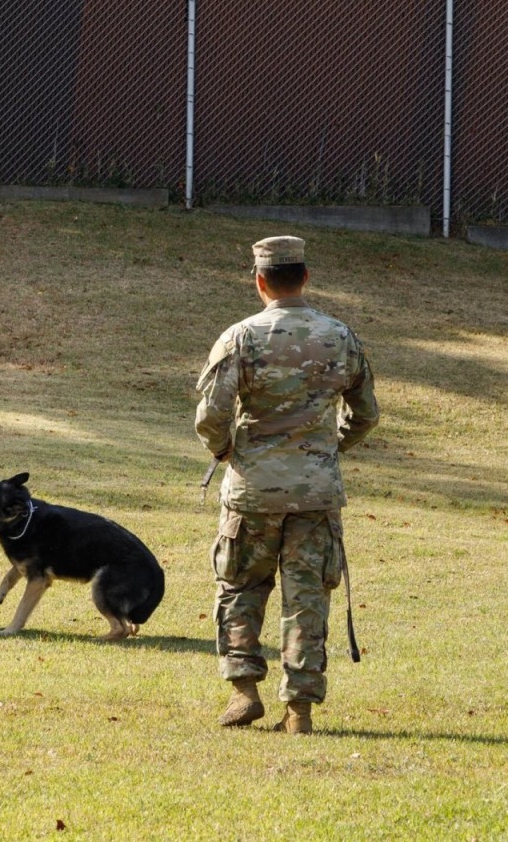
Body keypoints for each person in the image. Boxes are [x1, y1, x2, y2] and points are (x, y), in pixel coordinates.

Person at [194, 236, 379, 733]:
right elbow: (366, 413)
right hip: (316, 494)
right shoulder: (340, 336)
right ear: (306, 277)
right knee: (307, 599)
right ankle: (300, 711)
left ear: (260, 281)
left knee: (240, 587)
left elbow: (210, 416)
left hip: (252, 490)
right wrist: (328, 450)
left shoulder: (241, 338)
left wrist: (226, 451)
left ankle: (244, 692)